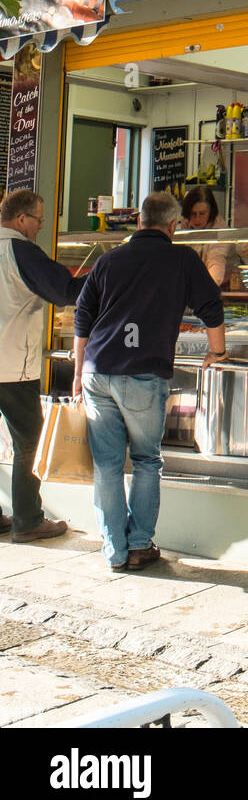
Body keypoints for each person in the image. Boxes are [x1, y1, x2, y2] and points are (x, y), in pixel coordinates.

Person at [73, 191, 227, 573]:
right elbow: (212, 305)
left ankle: (114, 550)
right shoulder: (181, 259)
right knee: (145, 461)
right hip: (141, 372)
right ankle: (140, 544)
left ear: (139, 220)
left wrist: (78, 373)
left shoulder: (108, 259)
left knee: (107, 465)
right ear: (173, 225)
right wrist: (218, 352)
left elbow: (82, 318)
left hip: (97, 371)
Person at [0, 189, 85, 543]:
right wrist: (109, 280)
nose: (39, 228)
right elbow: (64, 290)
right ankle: (29, 520)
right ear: (21, 220)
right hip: (11, 364)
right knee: (29, 441)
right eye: (38, 220)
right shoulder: (20, 251)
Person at [179, 185, 232, 285]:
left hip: (221, 287)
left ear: (211, 212)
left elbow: (216, 262)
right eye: (193, 213)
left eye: (202, 213)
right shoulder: (186, 224)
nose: (197, 219)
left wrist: (205, 291)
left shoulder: (219, 230)